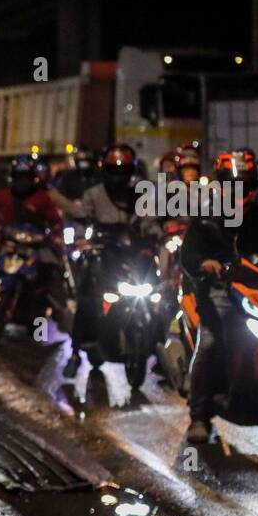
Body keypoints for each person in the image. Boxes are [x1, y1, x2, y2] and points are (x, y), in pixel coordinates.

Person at [180, 149, 258, 444]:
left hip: (254, 292)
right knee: (210, 342)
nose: (240, 191)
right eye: (235, 184)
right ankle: (199, 415)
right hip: (217, 292)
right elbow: (189, 254)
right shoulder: (207, 216)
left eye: (246, 184)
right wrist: (204, 264)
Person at [63, 144, 147, 377]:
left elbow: (150, 220)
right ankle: (75, 351)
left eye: (124, 170)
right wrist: (82, 239)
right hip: (101, 254)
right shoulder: (93, 194)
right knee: (87, 297)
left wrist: (156, 236)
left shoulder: (140, 193)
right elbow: (81, 218)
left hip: (130, 256)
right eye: (114, 170)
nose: (119, 175)